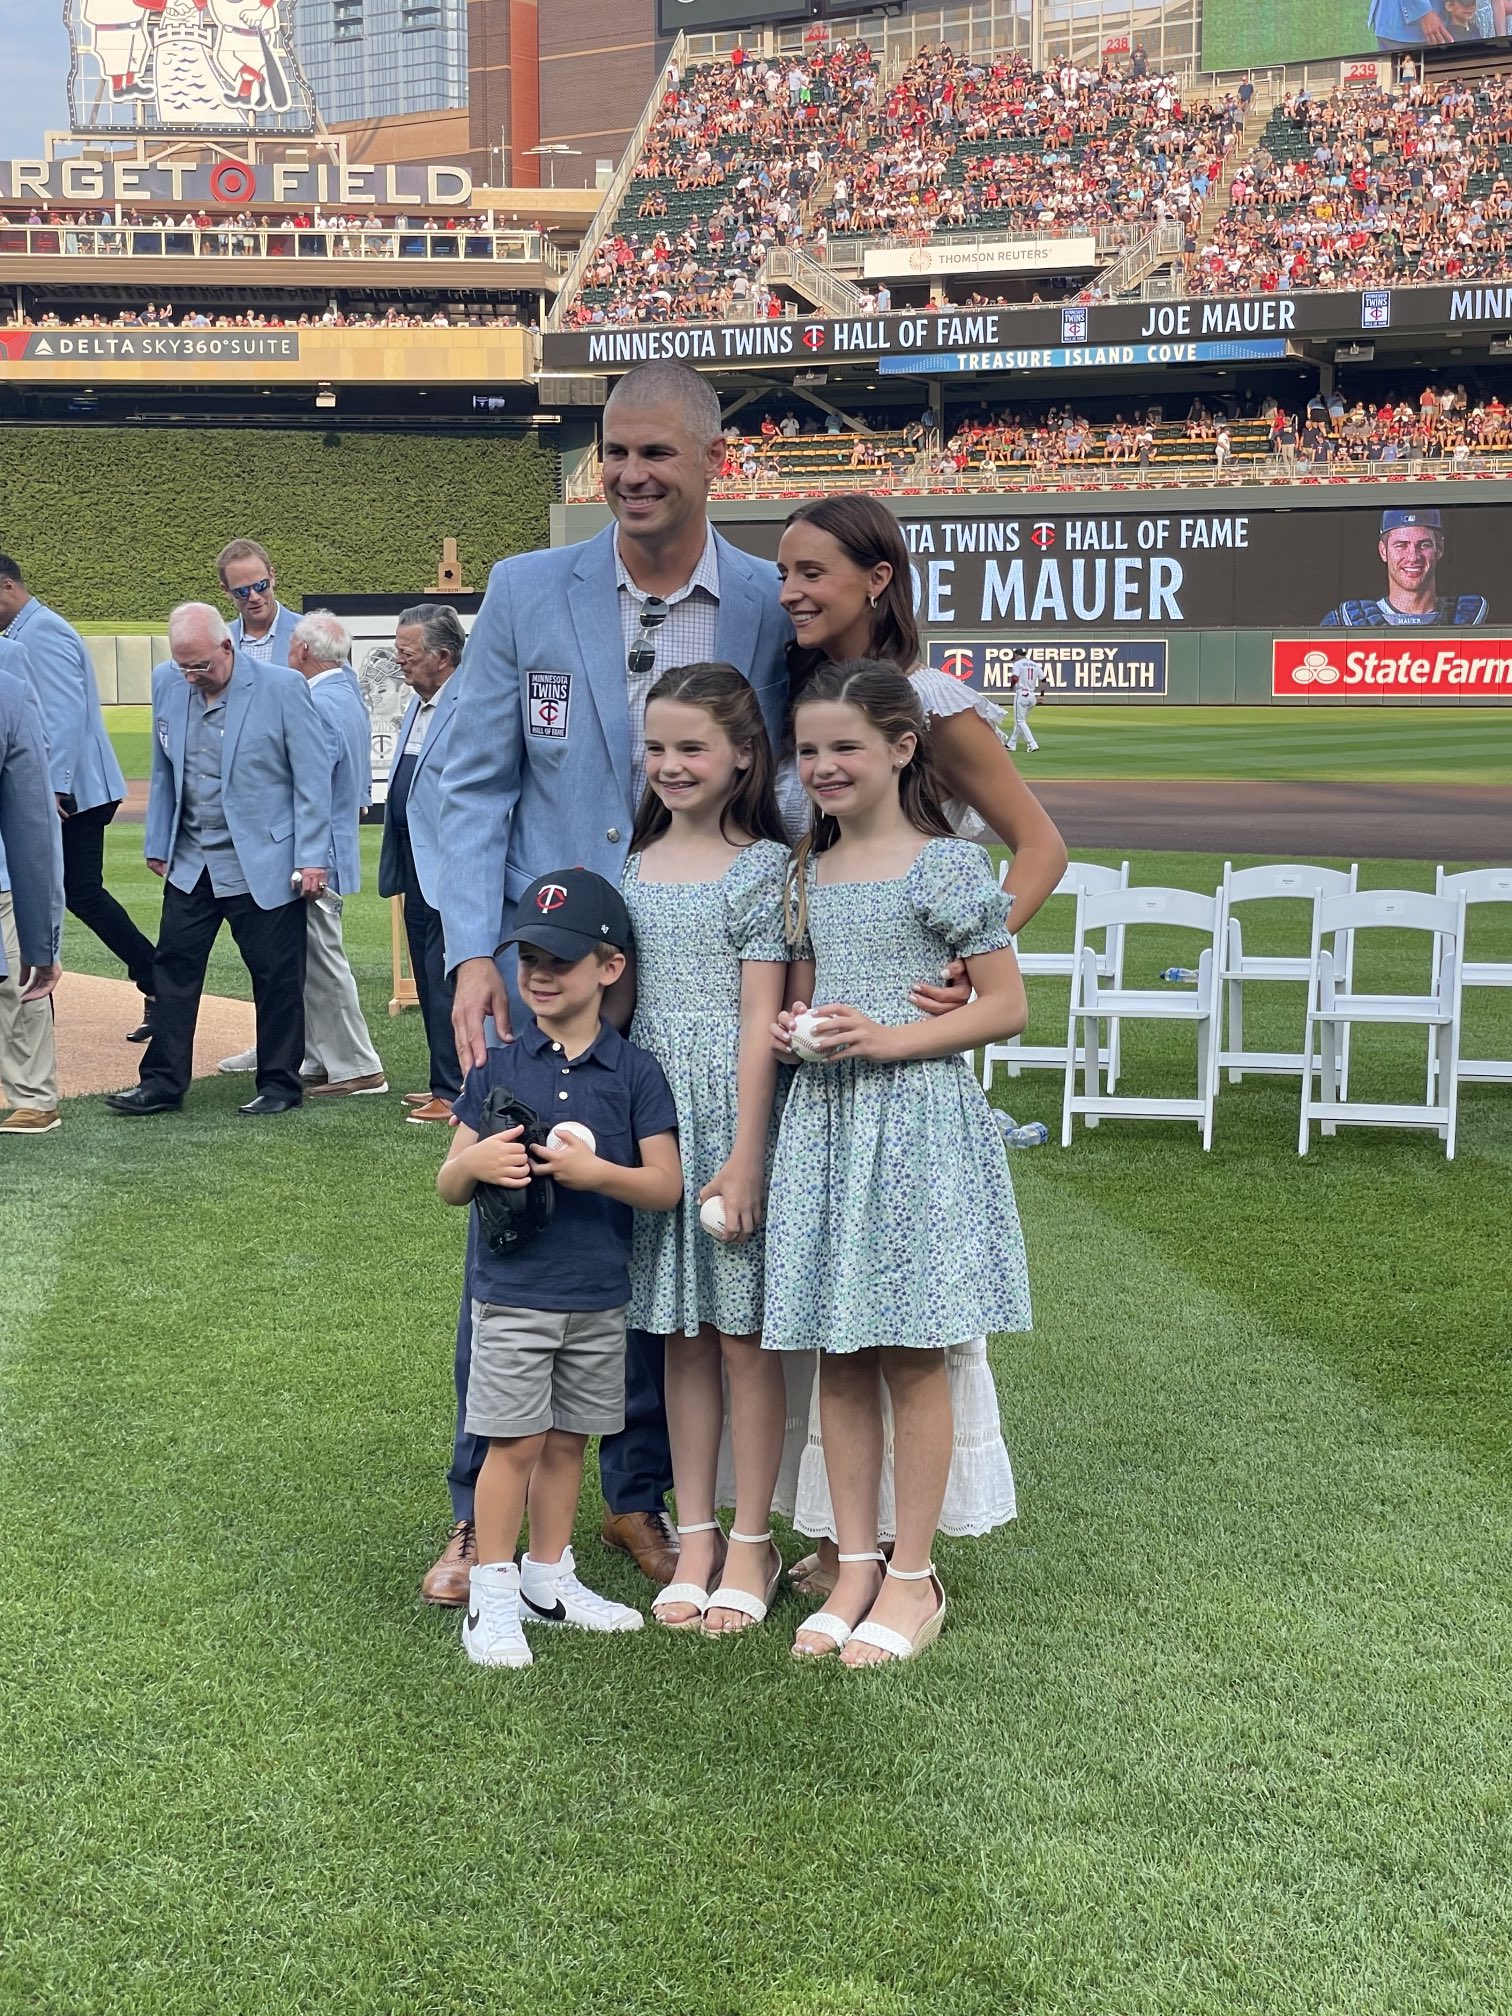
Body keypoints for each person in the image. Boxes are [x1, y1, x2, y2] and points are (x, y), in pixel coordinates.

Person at [432, 360, 790, 1601]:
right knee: (517, 1214)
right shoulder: (527, 587)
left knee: (660, 1239)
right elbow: (471, 781)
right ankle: (476, 1510)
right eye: (616, 452)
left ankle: (641, 1498)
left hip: (695, 970)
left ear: (711, 463)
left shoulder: (765, 600)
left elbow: (811, 779)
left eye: (657, 453)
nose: (631, 475)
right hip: (551, 965)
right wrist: (473, 952)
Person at [772, 495, 1062, 1593]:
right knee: (841, 1332)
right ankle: (847, 1538)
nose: (791, 592)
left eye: (812, 572)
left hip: (908, 1075)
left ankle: (909, 1556)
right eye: (784, 573)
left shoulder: (929, 707)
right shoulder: (803, 706)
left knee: (914, 1333)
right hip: (826, 1068)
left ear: (877, 577)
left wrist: (960, 967)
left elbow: (1038, 846)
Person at [437, 869, 682, 1669]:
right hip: (513, 1295)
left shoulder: (636, 1072)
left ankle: (549, 1578)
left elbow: (665, 1186)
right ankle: (493, 1592)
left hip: (598, 1296)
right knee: (513, 1443)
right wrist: (477, 1163)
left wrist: (596, 1174)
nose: (539, 976)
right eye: (529, 959)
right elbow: (447, 1183)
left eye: (561, 961)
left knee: (569, 1441)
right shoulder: (499, 1068)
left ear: (610, 968)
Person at [621, 664, 791, 1635]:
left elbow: (762, 1019)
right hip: (657, 1118)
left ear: (742, 756)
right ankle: (696, 1539)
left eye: (692, 747)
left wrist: (748, 1154)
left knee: (741, 1337)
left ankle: (754, 1542)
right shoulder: (638, 861)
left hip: (731, 1114)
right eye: (657, 747)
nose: (671, 764)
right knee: (679, 1336)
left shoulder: (764, 868)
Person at [105, 603, 330, 1118]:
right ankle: (161, 1083)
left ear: (227, 647)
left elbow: (313, 779)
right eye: (182, 666)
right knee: (172, 970)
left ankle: (280, 1084)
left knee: (276, 977)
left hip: (264, 861)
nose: (191, 676)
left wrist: (313, 858)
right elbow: (163, 769)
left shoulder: (282, 688)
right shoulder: (169, 683)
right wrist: (157, 840)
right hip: (192, 861)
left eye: (200, 666)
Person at [220, 611, 387, 1095]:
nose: (288, 649)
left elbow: (310, 779)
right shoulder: (345, 693)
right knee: (310, 960)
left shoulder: (318, 701)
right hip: (327, 847)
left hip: (314, 856)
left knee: (321, 960)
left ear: (305, 651)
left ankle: (357, 1066)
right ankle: (318, 1055)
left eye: (293, 643)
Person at [0, 552, 157, 1040]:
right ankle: (159, 982)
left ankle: (160, 982)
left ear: (7, 586)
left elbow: (62, 715)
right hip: (68, 788)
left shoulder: (42, 632)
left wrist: (50, 788)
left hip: (73, 792)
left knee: (71, 891)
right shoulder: (26, 632)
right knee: (71, 891)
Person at [378, 603, 464, 1126]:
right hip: (415, 860)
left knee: (443, 975)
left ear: (443, 656)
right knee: (428, 975)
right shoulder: (419, 703)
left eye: (407, 653)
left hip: (449, 864)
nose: (399, 662)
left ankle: (454, 1090)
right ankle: (442, 1081)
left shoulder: (469, 702)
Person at [0, 659, 64, 1136]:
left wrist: (42, 941)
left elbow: (32, 822)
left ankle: (34, 1096)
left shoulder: (9, 692)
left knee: (18, 981)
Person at [1322, 508, 1488, 626]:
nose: (1413, 557)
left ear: (1440, 548)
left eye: (1424, 545)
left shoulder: (1474, 618)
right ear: (1383, 551)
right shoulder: (1344, 621)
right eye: (1401, 545)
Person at [218, 538, 300, 666]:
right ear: (226, 590)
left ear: (272, 577)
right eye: (242, 591)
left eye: (260, 585)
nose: (254, 597)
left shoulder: (312, 634)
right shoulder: (218, 642)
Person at [1007, 646, 1043, 755]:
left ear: (1017, 655)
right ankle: (1011, 744)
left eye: (1015, 655)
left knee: (1020, 721)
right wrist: (1042, 695)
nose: (1014, 658)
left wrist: (1011, 686)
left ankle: (1032, 744)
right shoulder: (1035, 664)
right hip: (1032, 695)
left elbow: (1015, 677)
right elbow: (1044, 680)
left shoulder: (1017, 664)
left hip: (1022, 694)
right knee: (1020, 721)